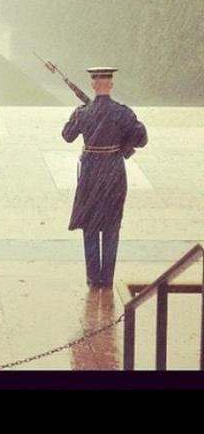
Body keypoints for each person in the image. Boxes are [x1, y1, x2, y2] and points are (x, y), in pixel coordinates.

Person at [62, 67, 148, 289]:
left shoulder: (83, 112)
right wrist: (125, 143)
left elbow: (67, 135)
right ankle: (107, 278)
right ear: (111, 84)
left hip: (91, 173)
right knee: (111, 225)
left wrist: (79, 114)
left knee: (90, 225)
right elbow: (142, 138)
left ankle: (93, 278)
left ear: (93, 85)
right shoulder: (123, 113)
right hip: (113, 171)